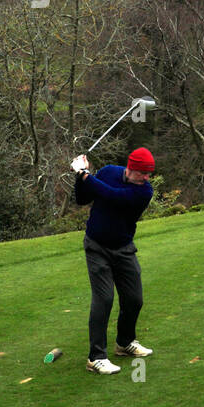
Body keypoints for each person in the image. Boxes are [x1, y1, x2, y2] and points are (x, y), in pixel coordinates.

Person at [71, 147, 156, 375]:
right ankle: (96, 358)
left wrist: (83, 174)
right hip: (97, 247)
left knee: (134, 299)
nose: (147, 178)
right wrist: (79, 176)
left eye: (149, 173)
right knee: (104, 298)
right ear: (130, 167)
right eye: (142, 173)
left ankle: (125, 342)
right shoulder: (109, 172)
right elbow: (82, 198)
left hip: (124, 248)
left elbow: (112, 196)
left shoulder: (144, 192)